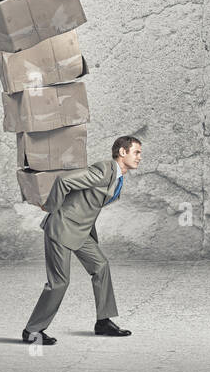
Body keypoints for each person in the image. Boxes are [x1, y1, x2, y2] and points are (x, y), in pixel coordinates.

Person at [22, 135, 143, 345]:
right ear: (123, 152)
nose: (140, 157)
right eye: (136, 152)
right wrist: (50, 207)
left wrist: (90, 233)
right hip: (61, 227)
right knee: (59, 282)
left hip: (80, 231)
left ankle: (103, 322)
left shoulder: (118, 178)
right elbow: (64, 181)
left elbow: (89, 204)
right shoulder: (104, 171)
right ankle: (32, 331)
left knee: (101, 266)